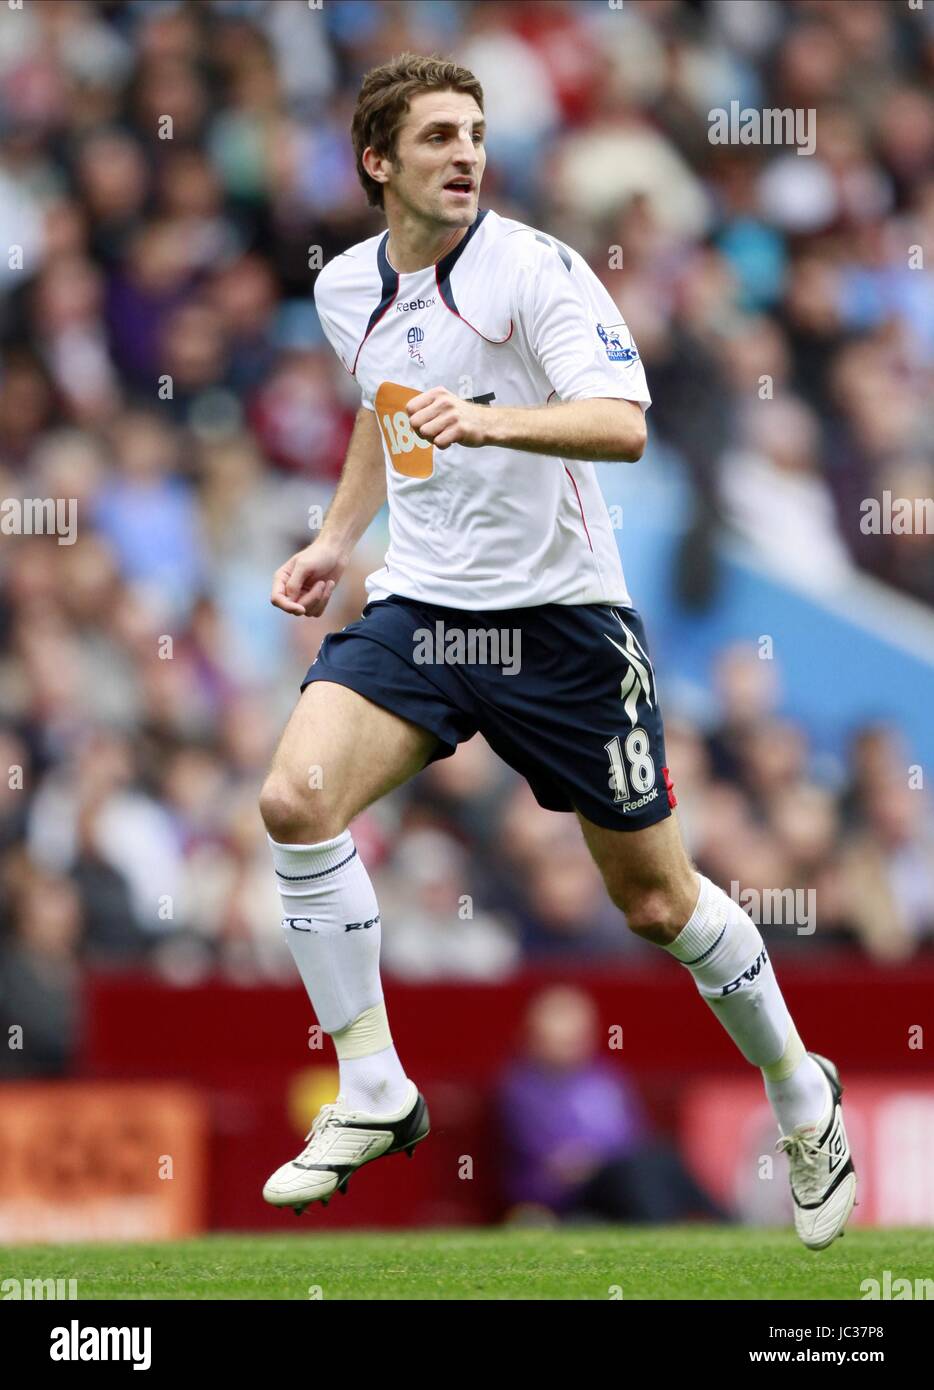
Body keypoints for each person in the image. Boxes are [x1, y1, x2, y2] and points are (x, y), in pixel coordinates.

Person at [257, 53, 855, 1248]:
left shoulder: (533, 269)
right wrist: (335, 537)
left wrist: (488, 420)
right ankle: (373, 1086)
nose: (465, 153)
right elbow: (385, 408)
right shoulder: (343, 290)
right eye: (435, 137)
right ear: (378, 162)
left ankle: (802, 1092)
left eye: (473, 133)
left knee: (655, 902)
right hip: (425, 610)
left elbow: (622, 426)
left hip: (564, 624)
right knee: (293, 798)